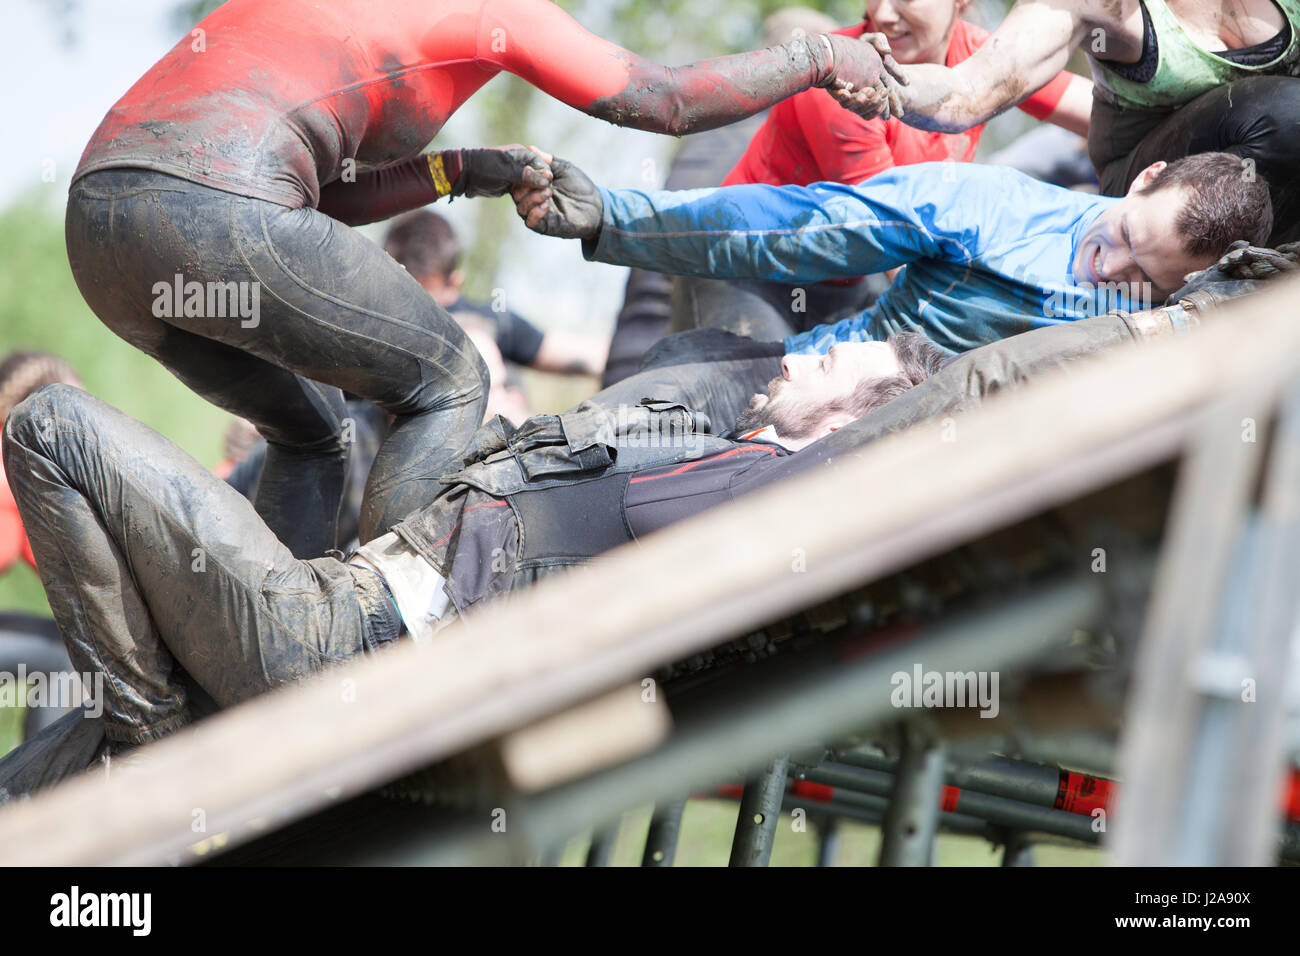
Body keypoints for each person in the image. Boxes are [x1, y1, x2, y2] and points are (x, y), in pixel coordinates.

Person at [67, 0, 902, 562]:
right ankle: (390, 620)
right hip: (216, 207)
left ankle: (256, 647)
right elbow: (662, 101)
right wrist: (819, 54)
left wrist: (468, 170)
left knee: (314, 428)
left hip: (102, 224)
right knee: (449, 378)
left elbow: (316, 188)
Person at [0, 329, 945, 796]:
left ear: (854, 424)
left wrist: (818, 449)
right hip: (342, 600)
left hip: (339, 644)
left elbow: (668, 505)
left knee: (49, 425)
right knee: (28, 798)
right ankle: (144, 733)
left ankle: (154, 742)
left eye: (828, 368)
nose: (797, 362)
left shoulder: (757, 491)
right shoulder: (709, 450)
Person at [512, 150, 1271, 355]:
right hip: (826, 389)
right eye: (1126, 240)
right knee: (666, 395)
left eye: (1144, 277)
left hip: (956, 502)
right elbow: (799, 228)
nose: (1112, 272)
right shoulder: (986, 205)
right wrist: (612, 216)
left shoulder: (1189, 325)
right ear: (1142, 179)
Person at [670, 0, 1094, 341]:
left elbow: (1096, 108)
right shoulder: (844, 84)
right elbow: (888, 227)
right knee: (755, 397)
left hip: (844, 276)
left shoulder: (983, 60)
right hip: (751, 265)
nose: (885, 13)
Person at [830, 0, 1300, 243]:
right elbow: (969, 91)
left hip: (1277, 170)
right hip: (1149, 188)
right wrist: (890, 85)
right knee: (1283, 112)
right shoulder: (1084, 7)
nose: (885, 12)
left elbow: (1067, 101)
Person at [383, 211, 607, 378]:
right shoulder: (360, 329)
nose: (412, 317)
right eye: (403, 299)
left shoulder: (492, 323)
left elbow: (584, 355)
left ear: (454, 285)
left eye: (425, 303)